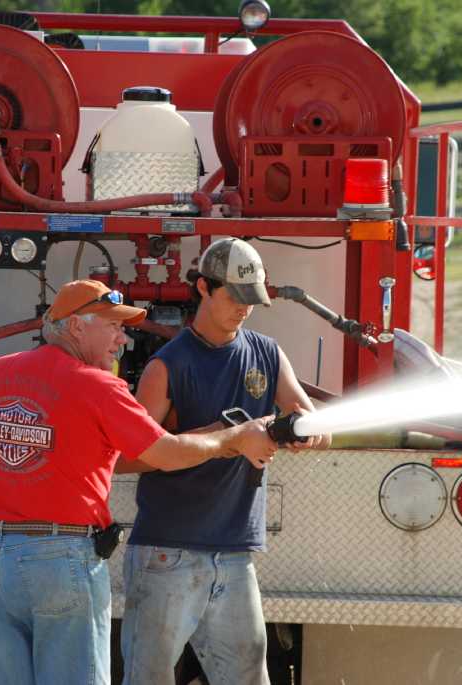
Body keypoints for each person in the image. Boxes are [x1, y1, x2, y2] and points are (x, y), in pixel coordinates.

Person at [0, 279, 279, 685]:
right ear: (76, 327)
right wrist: (232, 437)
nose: (123, 339)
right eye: (113, 326)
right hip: (62, 562)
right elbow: (165, 453)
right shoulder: (98, 386)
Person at [120, 238, 328, 684]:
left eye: (252, 299)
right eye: (234, 297)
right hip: (167, 553)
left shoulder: (268, 353)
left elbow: (311, 420)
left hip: (234, 555)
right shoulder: (166, 367)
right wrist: (228, 438)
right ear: (203, 288)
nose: (244, 309)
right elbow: (125, 457)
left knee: (249, 677)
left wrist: (303, 432)